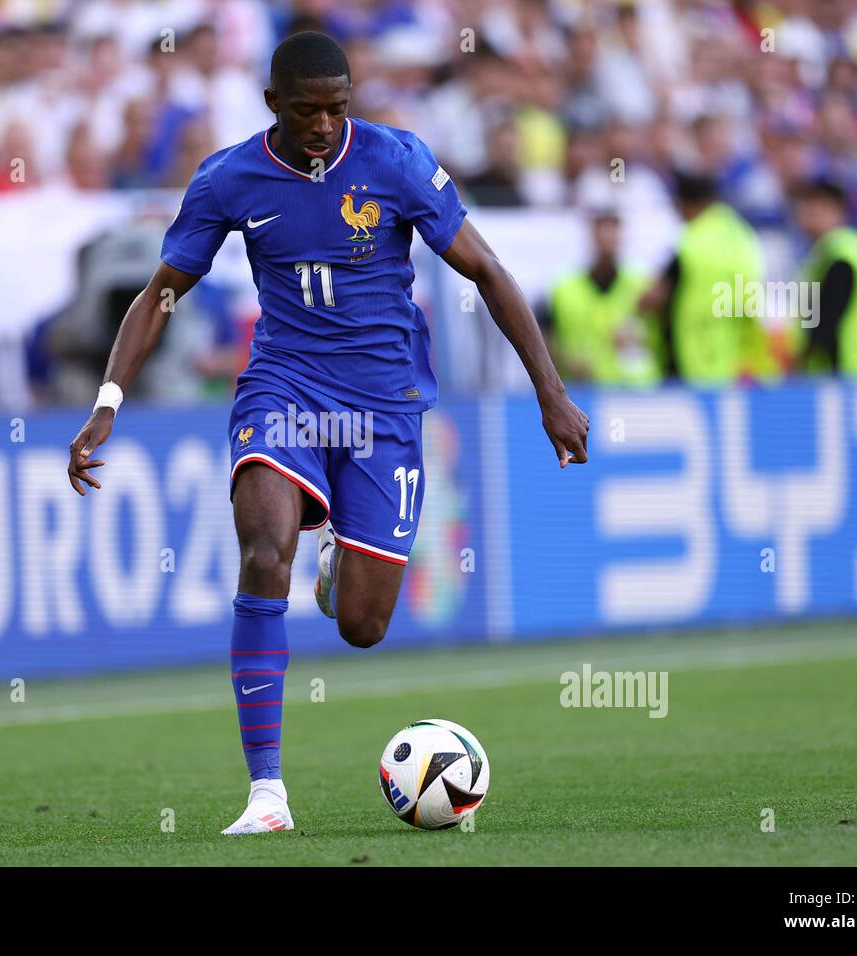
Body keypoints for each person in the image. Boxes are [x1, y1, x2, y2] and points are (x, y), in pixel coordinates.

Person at [66, 32, 587, 835]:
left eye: (337, 109)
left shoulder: (397, 161)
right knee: (265, 552)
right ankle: (267, 794)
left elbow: (486, 271)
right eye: (306, 110)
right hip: (285, 389)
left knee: (363, 627)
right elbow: (160, 293)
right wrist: (108, 400)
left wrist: (550, 392)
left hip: (384, 406)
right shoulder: (230, 178)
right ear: (272, 103)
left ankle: (342, 553)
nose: (323, 126)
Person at [641, 172, 773, 385]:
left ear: (684, 203)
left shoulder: (690, 242)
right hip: (735, 357)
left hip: (692, 356)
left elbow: (653, 299)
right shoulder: (743, 236)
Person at [540, 208, 657, 386]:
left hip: (636, 391)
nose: (608, 239)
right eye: (603, 231)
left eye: (613, 232)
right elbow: (547, 335)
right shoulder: (564, 288)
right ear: (592, 236)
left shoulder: (642, 285)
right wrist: (563, 363)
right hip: (581, 390)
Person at [787, 178, 857, 376]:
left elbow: (828, 316)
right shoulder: (831, 251)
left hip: (844, 367)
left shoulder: (840, 253)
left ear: (836, 211)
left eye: (814, 210)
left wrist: (804, 356)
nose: (806, 217)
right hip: (853, 367)